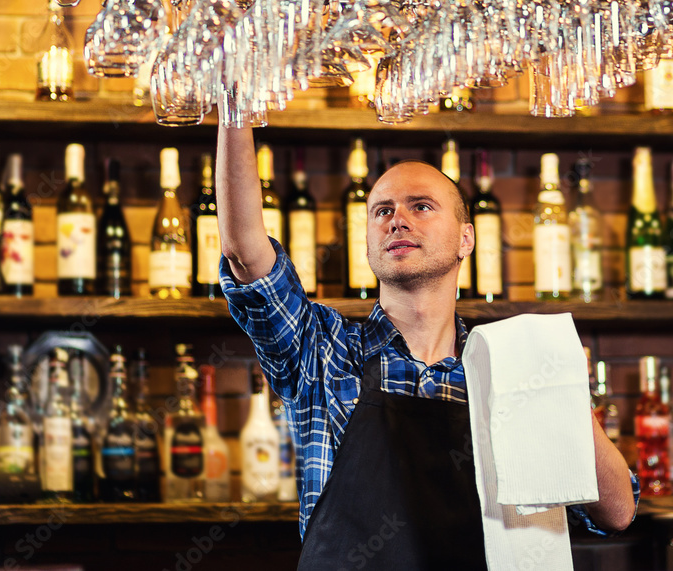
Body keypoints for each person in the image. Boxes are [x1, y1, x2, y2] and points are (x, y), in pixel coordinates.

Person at [217, 126, 638, 569]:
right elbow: (245, 251)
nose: (398, 219)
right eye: (382, 211)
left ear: (466, 239)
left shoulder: (507, 370)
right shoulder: (321, 349)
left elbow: (616, 512)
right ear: (367, 242)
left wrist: (561, 393)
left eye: (421, 206)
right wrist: (235, 102)